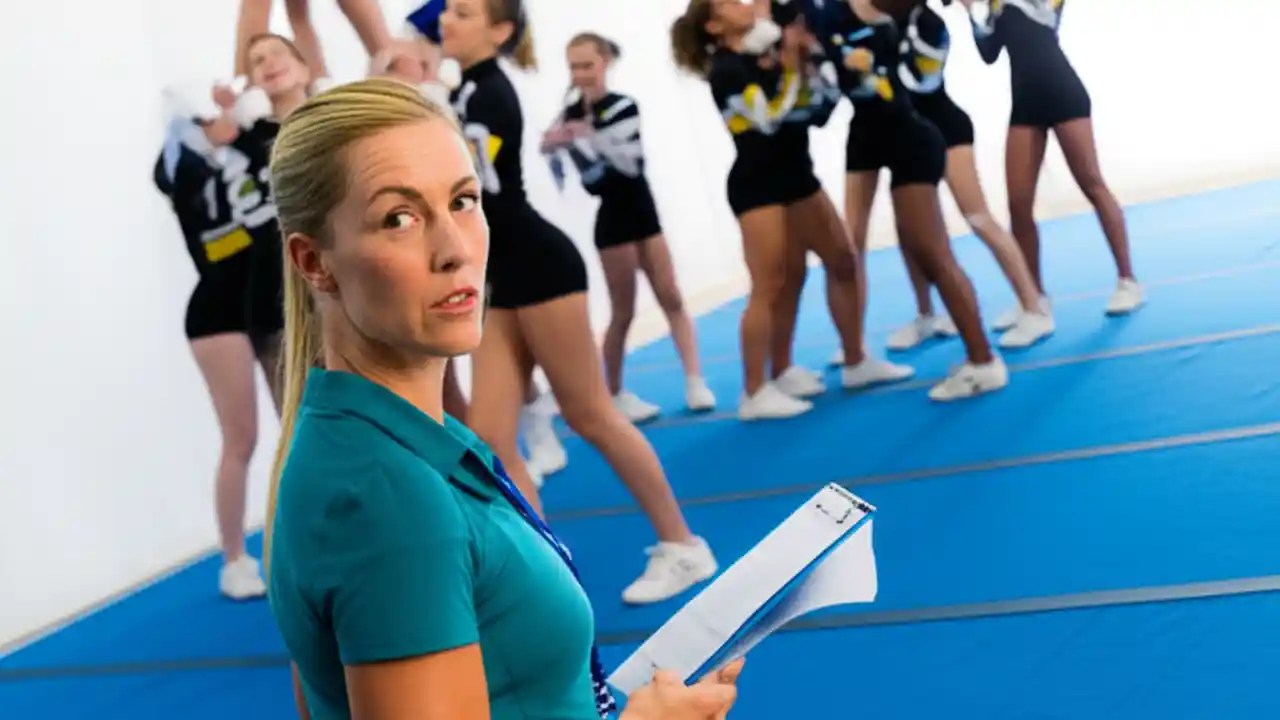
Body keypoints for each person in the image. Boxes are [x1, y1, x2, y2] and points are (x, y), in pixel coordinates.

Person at [262, 76, 746, 720]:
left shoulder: (380, 443)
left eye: (463, 201)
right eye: (399, 218)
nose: (455, 250)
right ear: (314, 261)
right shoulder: (383, 496)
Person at [435, 0, 717, 604]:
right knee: (491, 437)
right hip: (498, 277)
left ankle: (684, 545)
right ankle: (542, 578)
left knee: (589, 414)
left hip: (538, 267)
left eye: (461, 11)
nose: (444, 19)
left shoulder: (489, 93)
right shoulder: (462, 94)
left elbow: (477, 191)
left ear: (501, 30)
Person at [670, 0, 913, 421]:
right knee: (769, 285)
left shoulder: (759, 58)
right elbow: (768, 118)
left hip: (797, 175)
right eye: (730, 3)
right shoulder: (727, 70)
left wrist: (805, 63)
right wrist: (789, 64)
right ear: (714, 26)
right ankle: (753, 391)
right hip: (758, 184)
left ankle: (850, 361)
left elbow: (806, 112)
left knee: (841, 260)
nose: (744, 4)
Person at [808, 0, 1008, 400]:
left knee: (932, 253)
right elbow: (822, 107)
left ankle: (984, 361)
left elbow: (917, 72)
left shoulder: (909, 15)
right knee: (851, 250)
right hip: (865, 134)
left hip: (910, 137)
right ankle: (855, 358)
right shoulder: (826, 15)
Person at [541, 32, 717, 423]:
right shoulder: (569, 116)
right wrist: (557, 144)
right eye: (574, 66)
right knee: (623, 310)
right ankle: (615, 393)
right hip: (611, 218)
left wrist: (584, 137)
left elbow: (630, 164)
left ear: (605, 63)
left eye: (587, 64)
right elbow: (580, 179)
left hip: (642, 210)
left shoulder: (623, 106)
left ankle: (694, 379)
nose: (580, 73)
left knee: (671, 295)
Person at [880, 0, 1054, 351]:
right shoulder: (880, 24)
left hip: (946, 130)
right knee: (911, 232)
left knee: (978, 217)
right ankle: (926, 314)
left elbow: (918, 82)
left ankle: (1034, 307)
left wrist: (872, 68)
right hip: (905, 136)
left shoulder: (928, 22)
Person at [152, 97, 273, 600]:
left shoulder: (241, 158)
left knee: (302, 428)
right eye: (215, 115)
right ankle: (234, 558)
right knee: (241, 437)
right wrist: (207, 135)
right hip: (217, 316)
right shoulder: (186, 171)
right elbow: (170, 176)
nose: (231, 118)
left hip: (263, 305)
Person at [960, 0, 1143, 321]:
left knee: (1092, 183)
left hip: (1061, 90)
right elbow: (989, 54)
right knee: (1018, 202)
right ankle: (1035, 296)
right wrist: (971, 13)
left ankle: (1128, 280)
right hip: (1025, 101)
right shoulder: (993, 5)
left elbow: (1044, 17)